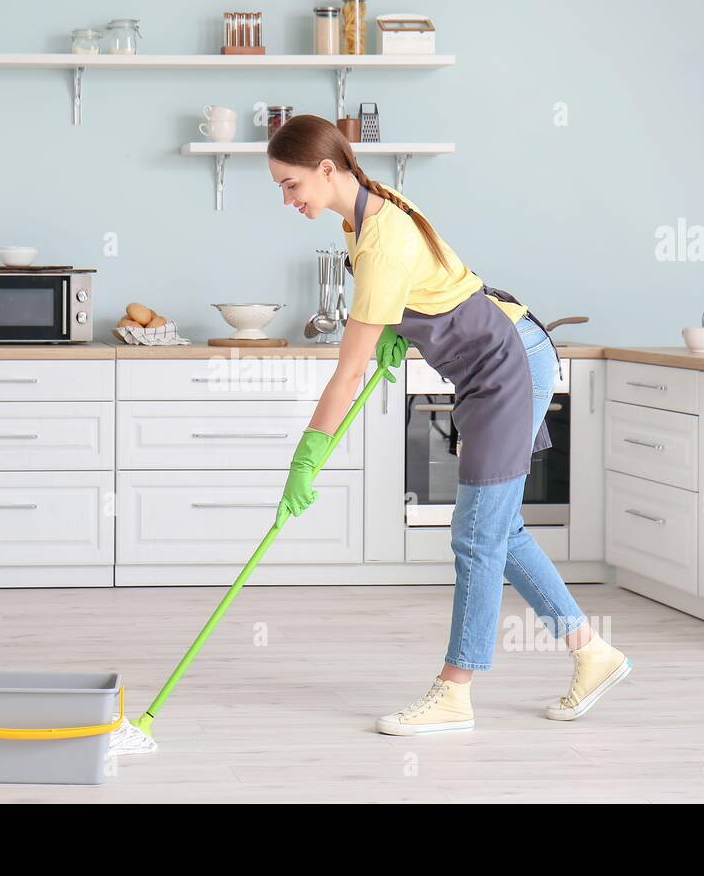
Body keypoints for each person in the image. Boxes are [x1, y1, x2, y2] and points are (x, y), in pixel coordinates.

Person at [267, 115, 631, 732]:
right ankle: (592, 653)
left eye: (291, 184)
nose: (288, 199)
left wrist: (307, 455)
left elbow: (346, 374)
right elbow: (437, 286)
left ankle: (454, 693)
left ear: (327, 169)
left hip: (505, 363)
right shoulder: (365, 211)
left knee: (475, 536)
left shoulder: (378, 236)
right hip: (494, 357)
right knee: (498, 528)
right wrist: (398, 334)